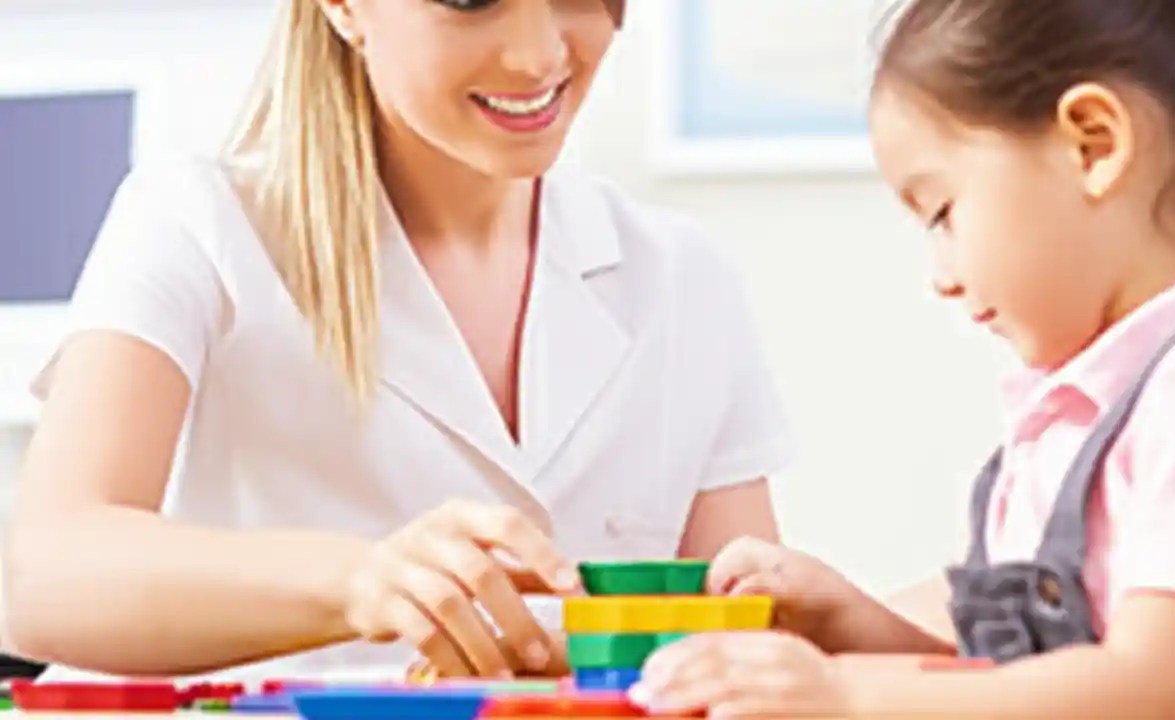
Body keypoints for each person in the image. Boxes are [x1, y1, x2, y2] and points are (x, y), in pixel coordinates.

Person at [1, 0, 792, 682]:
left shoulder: (681, 274)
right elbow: (43, 579)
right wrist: (358, 582)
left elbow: (748, 636)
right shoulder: (196, 220)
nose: (542, 53)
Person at [627, 0, 1175, 717]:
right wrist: (850, 626)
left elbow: (1152, 688)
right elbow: (1013, 684)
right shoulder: (1082, 412)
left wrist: (849, 698)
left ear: (1092, 144)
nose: (941, 275)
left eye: (943, 214)